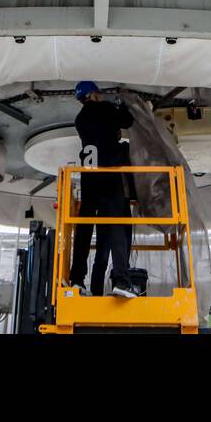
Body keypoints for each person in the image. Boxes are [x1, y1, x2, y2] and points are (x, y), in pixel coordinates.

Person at [67, 81, 137, 298]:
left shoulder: (80, 119)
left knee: (84, 228)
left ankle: (77, 280)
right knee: (116, 224)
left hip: (89, 176)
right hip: (108, 174)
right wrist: (122, 104)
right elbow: (128, 121)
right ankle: (121, 282)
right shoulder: (105, 109)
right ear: (95, 94)